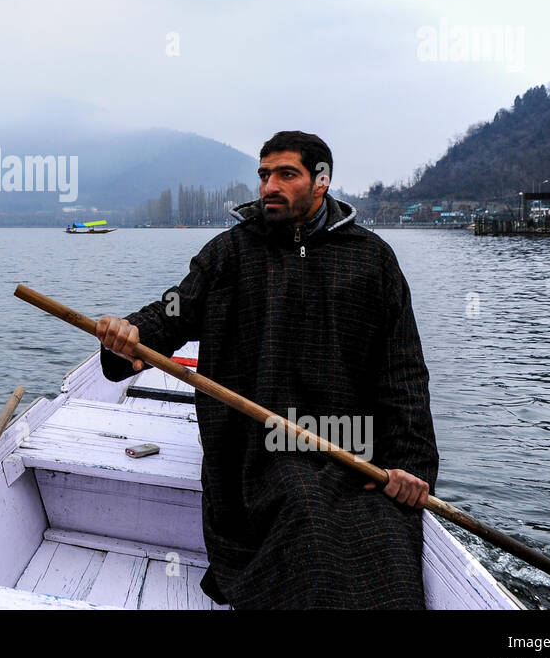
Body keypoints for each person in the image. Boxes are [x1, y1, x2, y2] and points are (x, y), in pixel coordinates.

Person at [95, 130, 438, 608]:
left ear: (321, 182)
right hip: (255, 447)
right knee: (304, 519)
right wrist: (128, 333)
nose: (268, 186)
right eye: (263, 175)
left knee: (386, 546)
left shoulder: (372, 260)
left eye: (285, 174)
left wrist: (411, 466)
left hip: (353, 447)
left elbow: (403, 370)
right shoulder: (228, 254)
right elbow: (172, 311)